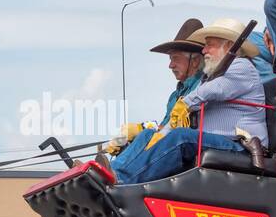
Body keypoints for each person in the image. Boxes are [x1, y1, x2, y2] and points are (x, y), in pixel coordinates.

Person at [111, 17, 267, 184]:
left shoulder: (242, 66)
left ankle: (121, 181)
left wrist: (185, 103)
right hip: (217, 142)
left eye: (209, 45)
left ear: (229, 46)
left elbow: (214, 89)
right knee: (148, 135)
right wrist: (160, 135)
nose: (204, 50)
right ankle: (110, 172)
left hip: (239, 146)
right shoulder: (210, 76)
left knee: (181, 137)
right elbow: (177, 118)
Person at [106, 19, 205, 175]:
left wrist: (144, 130)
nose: (170, 65)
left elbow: (181, 131)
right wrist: (130, 134)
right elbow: (165, 127)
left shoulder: (203, 86)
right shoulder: (175, 95)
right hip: (170, 145)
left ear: (195, 60)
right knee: (144, 134)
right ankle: (108, 170)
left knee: (146, 134)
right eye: (170, 59)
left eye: (175, 59)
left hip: (184, 149)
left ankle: (112, 174)